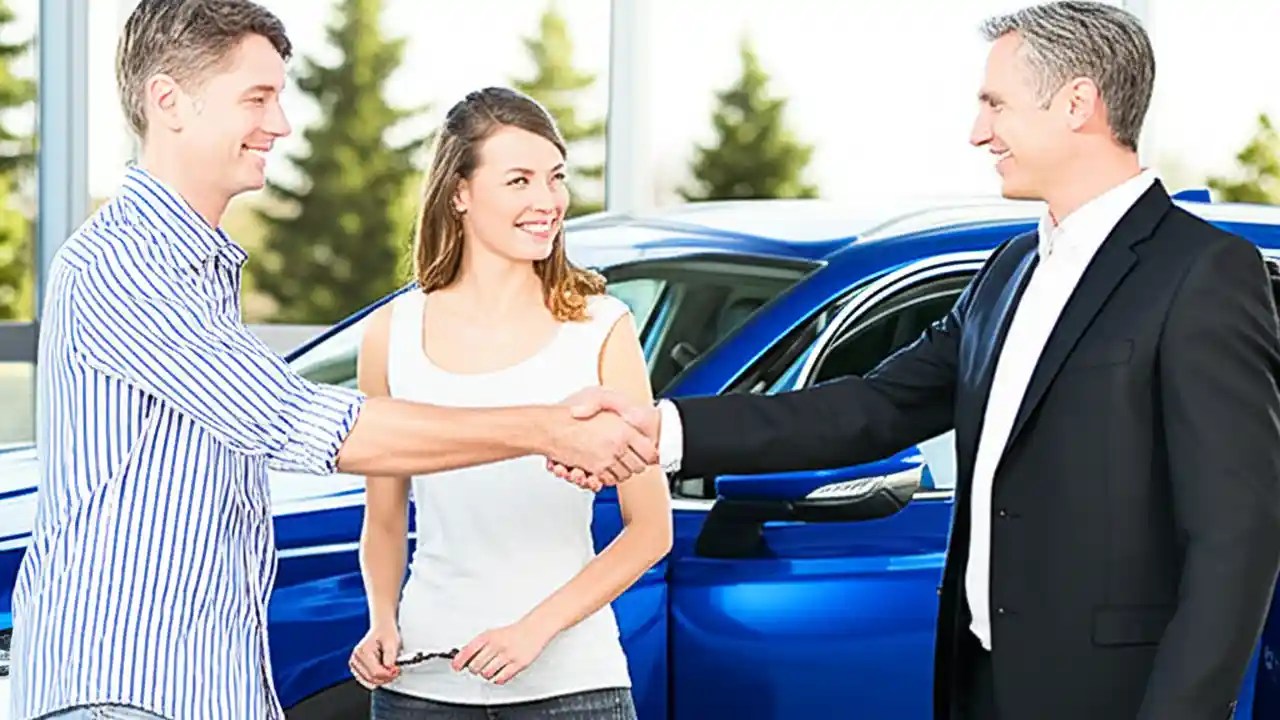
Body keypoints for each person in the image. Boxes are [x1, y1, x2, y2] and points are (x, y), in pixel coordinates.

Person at [556, 2, 1280, 719]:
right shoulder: (1011, 270)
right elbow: (873, 407)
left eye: (995, 104)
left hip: (1114, 695)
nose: (977, 132)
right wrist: (661, 429)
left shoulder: (1204, 271)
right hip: (981, 682)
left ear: (1077, 103)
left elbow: (1237, 536)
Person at [10, 3, 657, 720]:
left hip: (197, 686)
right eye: (257, 98)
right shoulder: (126, 267)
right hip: (126, 691)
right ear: (168, 102)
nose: (281, 124)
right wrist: (546, 427)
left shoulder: (198, 270)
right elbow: (299, 422)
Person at [344, 87, 671, 720]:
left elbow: (650, 529)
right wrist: (381, 617)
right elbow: (384, 518)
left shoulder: (602, 326)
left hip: (573, 688)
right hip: (422, 690)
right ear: (459, 192)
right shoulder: (391, 332)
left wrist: (534, 630)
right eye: (518, 180)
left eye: (554, 178)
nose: (546, 201)